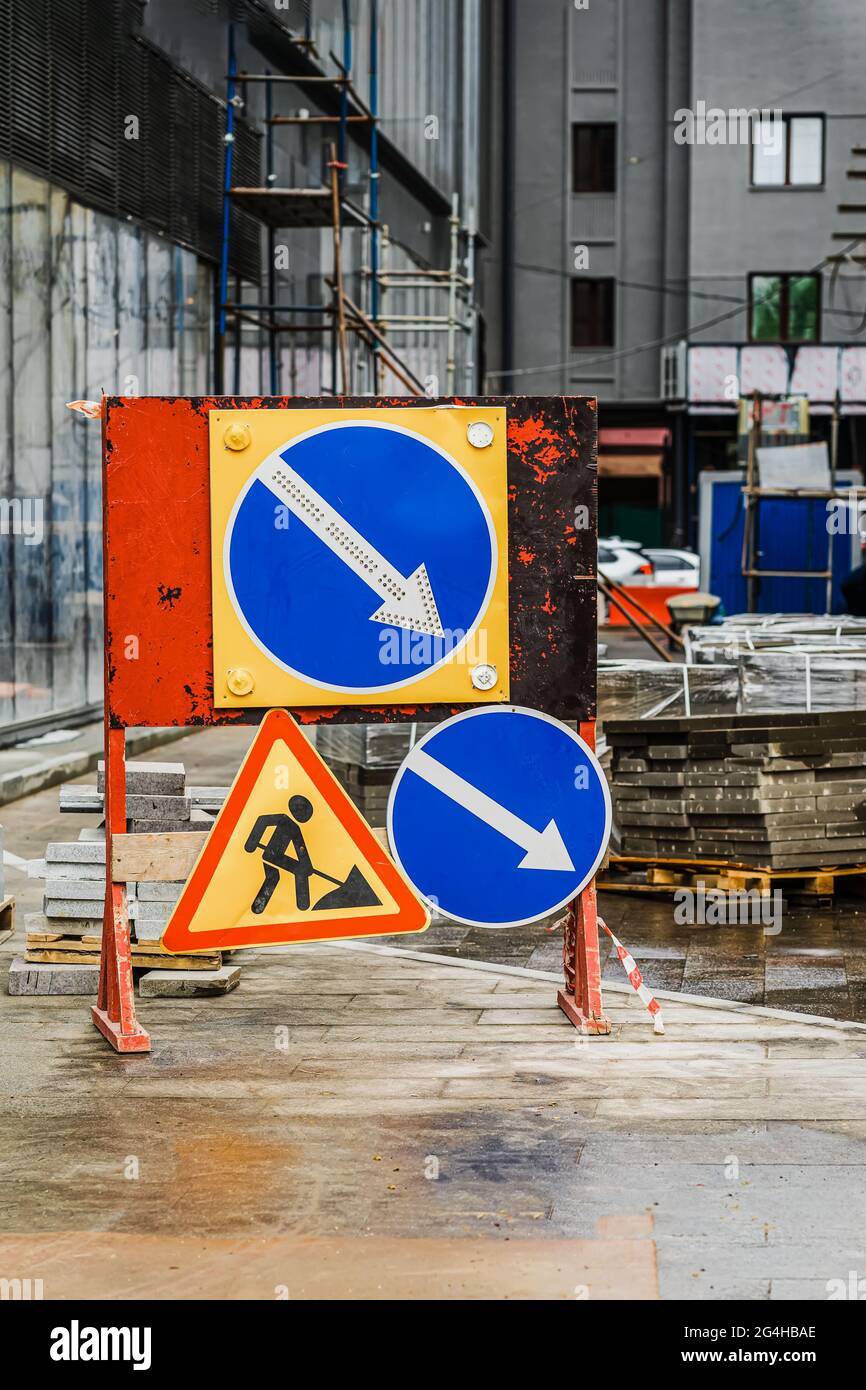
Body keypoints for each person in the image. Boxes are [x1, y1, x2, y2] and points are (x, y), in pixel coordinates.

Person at [244, 795, 316, 913]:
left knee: (281, 875)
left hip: (276, 856)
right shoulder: (284, 819)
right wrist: (252, 842)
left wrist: (307, 866)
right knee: (276, 876)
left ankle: (302, 904)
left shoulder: (294, 827)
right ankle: (302, 904)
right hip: (272, 855)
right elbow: (262, 821)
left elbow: (300, 849)